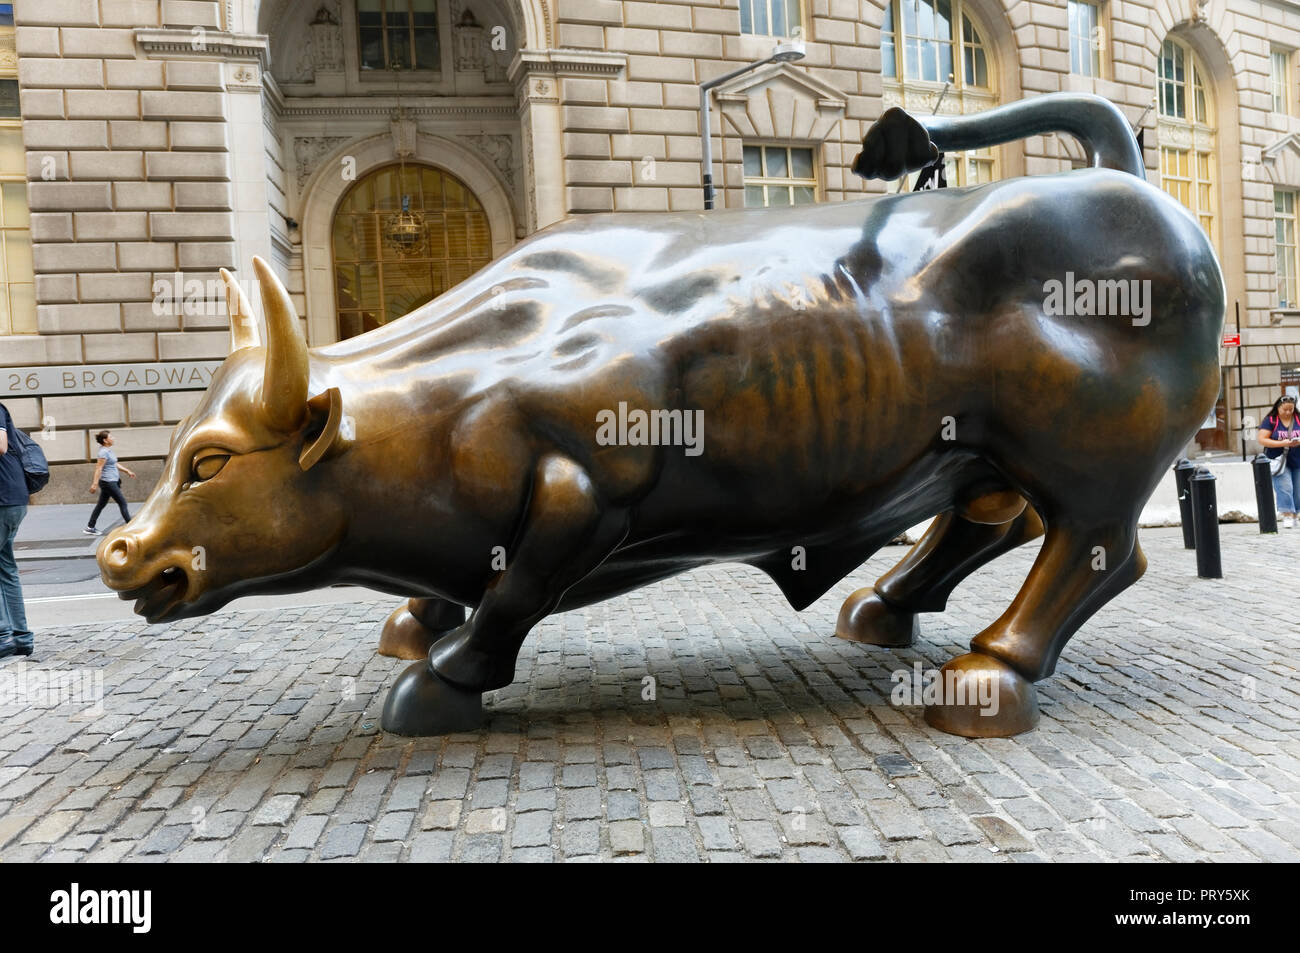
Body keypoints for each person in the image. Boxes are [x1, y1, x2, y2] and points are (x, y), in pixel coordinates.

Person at [0, 400, 33, 661]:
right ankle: (21, 637)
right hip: (13, 498)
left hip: (3, 500)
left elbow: (0, 445)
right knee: (6, 568)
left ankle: (3, 636)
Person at [1258, 394, 1300, 529]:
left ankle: (1295, 515)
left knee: (1298, 490)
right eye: (1285, 410)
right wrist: (1282, 443)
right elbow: (1262, 439)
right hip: (1278, 459)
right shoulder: (1271, 420)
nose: (1288, 412)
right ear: (1278, 408)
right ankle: (1287, 514)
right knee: (1285, 487)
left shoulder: (1298, 419)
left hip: (1297, 459)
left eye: (1291, 409)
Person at [84, 430, 135, 536]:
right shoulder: (103, 452)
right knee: (123, 503)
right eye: (111, 437)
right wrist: (94, 484)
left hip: (111, 481)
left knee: (100, 505)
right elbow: (99, 468)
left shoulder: (108, 450)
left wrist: (127, 471)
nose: (113, 438)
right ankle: (131, 527)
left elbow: (114, 464)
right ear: (105, 440)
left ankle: (90, 527)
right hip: (108, 482)